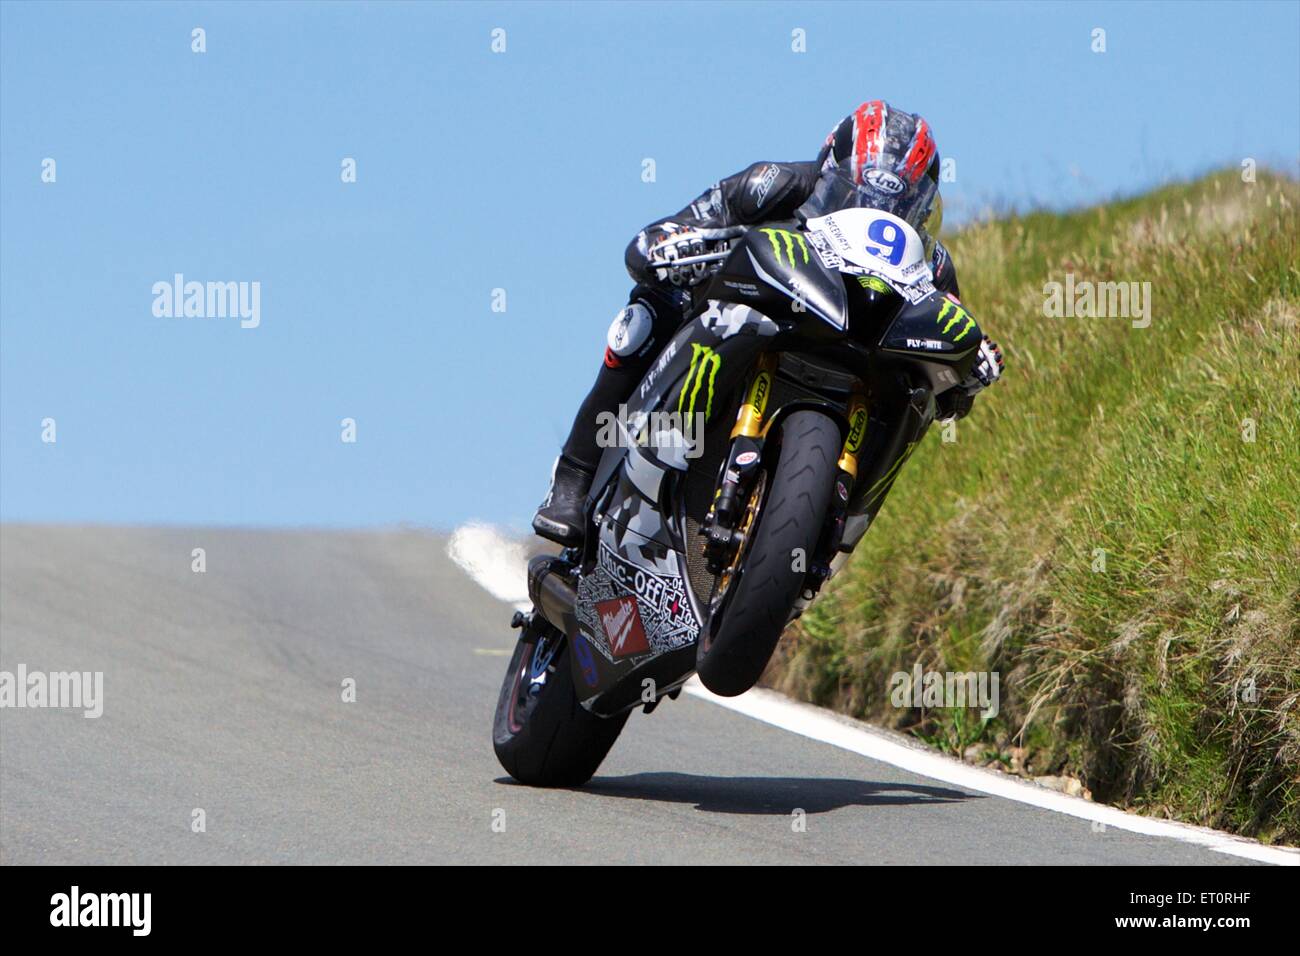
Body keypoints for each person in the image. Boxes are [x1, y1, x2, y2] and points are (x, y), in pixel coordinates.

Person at [534, 100, 1004, 547]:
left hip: (856, 354)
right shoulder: (771, 185)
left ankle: (828, 541)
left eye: (903, 207)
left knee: (915, 399)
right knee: (648, 312)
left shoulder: (934, 266)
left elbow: (950, 392)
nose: (880, 216)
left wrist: (968, 375)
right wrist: (677, 248)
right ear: (829, 172)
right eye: (855, 192)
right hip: (737, 314)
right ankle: (575, 473)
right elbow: (659, 238)